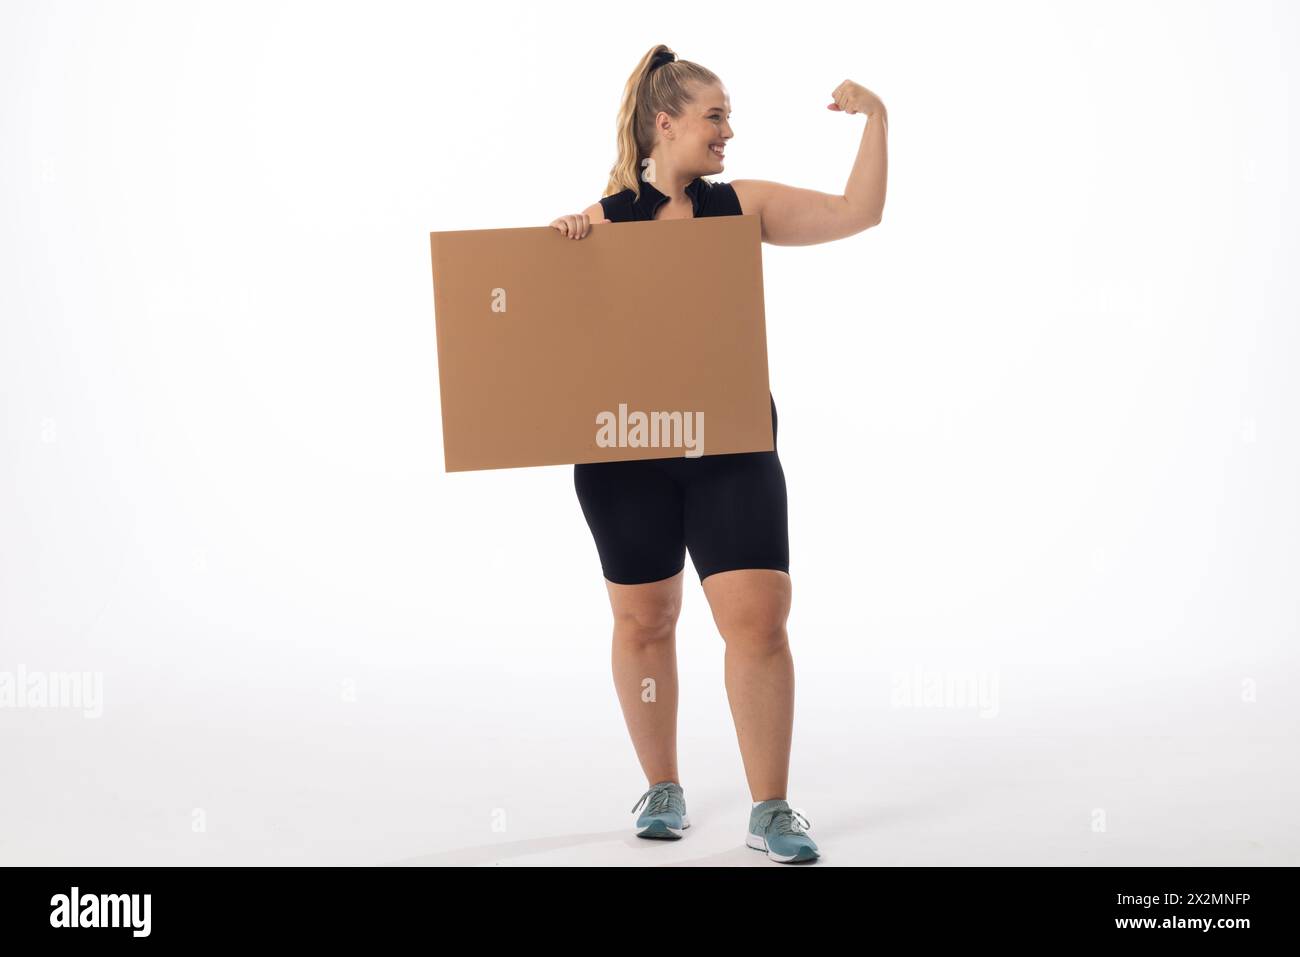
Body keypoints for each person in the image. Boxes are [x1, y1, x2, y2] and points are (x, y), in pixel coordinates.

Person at [549, 44, 887, 864]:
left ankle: (770, 809)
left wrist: (877, 117)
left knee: (759, 621)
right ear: (665, 123)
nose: (729, 131)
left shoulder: (741, 207)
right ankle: (661, 788)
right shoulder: (598, 224)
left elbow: (859, 211)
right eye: (716, 116)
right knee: (644, 620)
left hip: (730, 446)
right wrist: (552, 255)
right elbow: (543, 334)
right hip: (625, 453)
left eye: (729, 117)